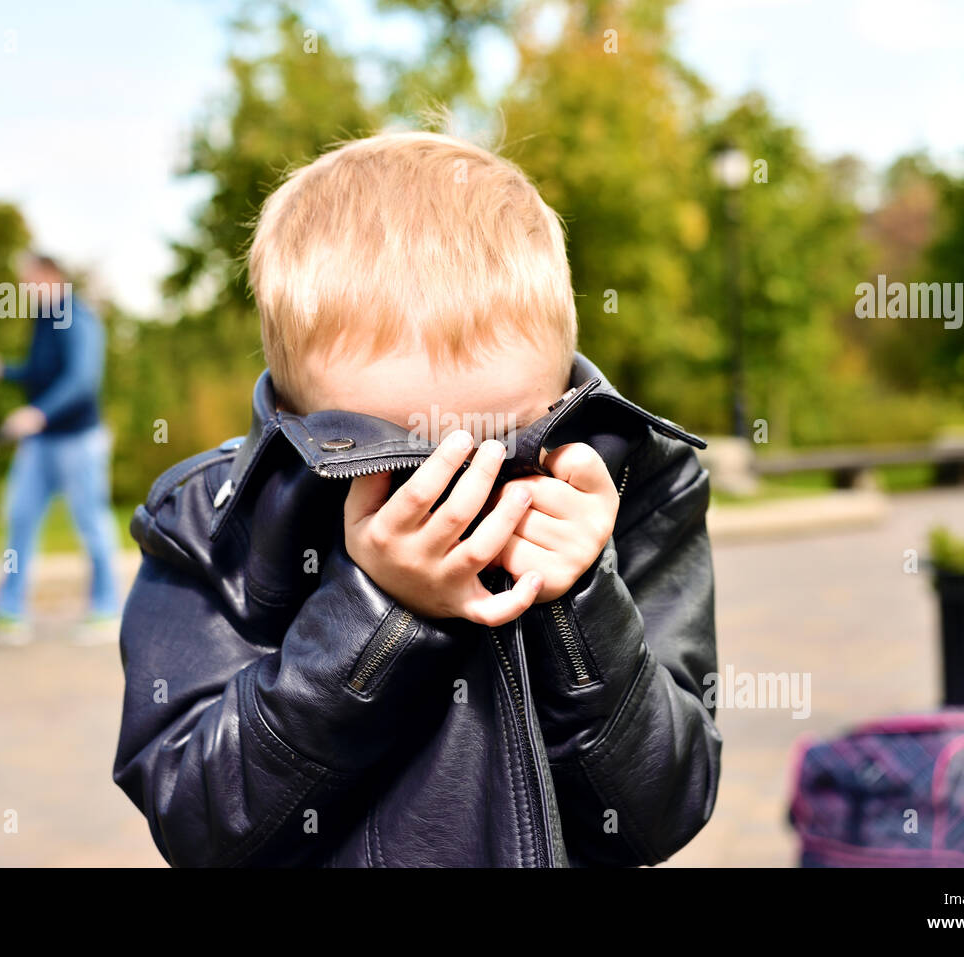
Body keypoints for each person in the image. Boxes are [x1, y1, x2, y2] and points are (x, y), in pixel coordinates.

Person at [113, 133, 720, 867]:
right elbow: (201, 824)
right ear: (306, 418)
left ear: (559, 384)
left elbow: (660, 812)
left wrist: (581, 598)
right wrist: (378, 615)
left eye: (508, 444)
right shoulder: (208, 522)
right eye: (397, 461)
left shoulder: (640, 484)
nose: (459, 506)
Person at [0, 254, 119, 638]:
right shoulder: (43, 321)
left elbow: (82, 380)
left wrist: (38, 413)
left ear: (51, 276)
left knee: (91, 524)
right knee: (20, 518)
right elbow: (39, 374)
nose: (24, 288)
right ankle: (10, 610)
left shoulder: (78, 318)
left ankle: (106, 608)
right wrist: (0, 369)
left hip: (78, 441)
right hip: (41, 443)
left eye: (29, 280)